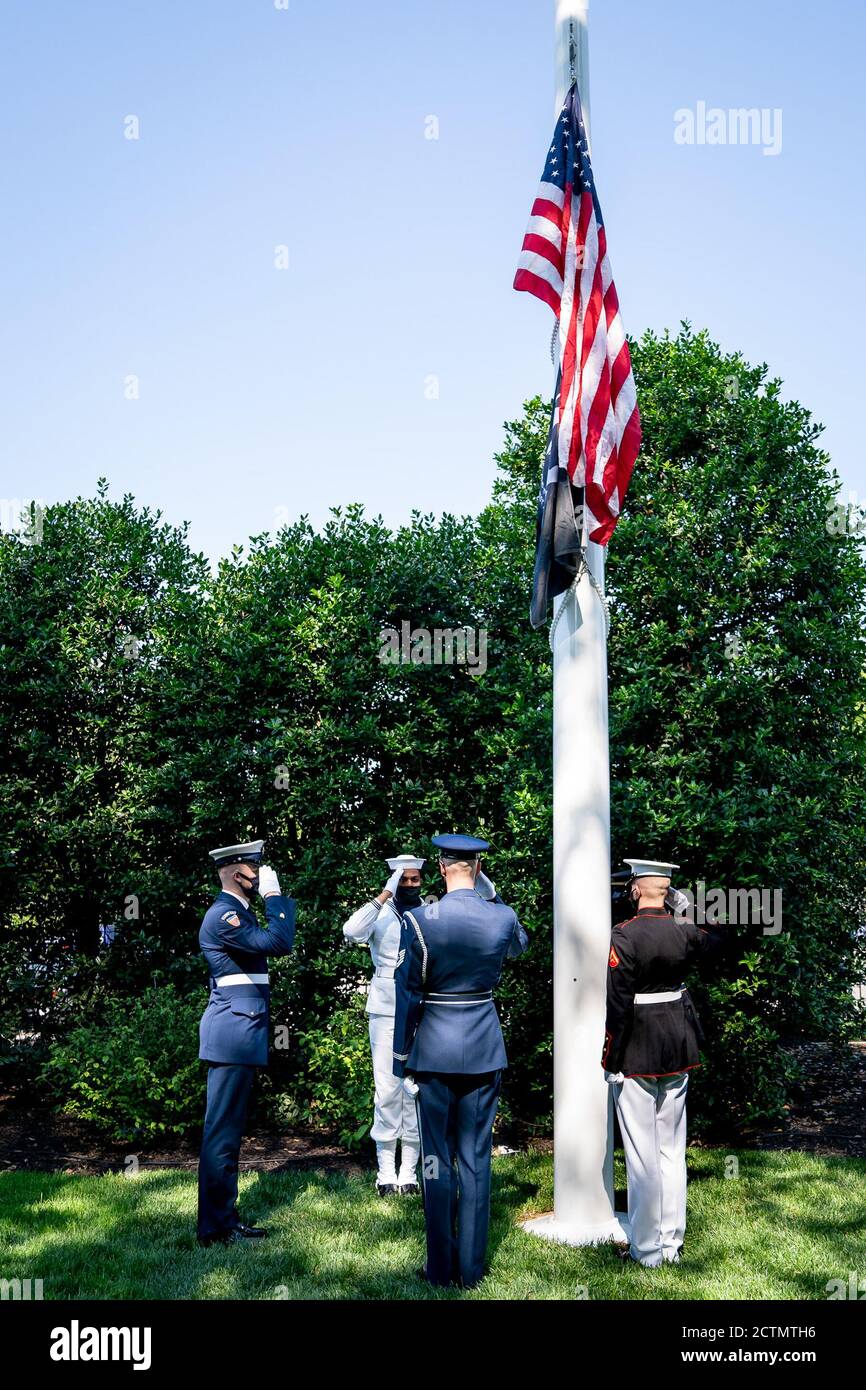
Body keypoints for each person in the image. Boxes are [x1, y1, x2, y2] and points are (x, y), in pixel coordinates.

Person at [392, 833, 529, 1288]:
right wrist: (492, 895)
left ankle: (440, 1268)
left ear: (440, 865)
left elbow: (408, 992)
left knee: (435, 1158)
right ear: (478, 868)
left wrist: (400, 1058)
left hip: (434, 1048)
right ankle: (471, 1270)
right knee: (475, 1157)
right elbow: (519, 945)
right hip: (483, 1045)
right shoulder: (502, 916)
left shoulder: (420, 919)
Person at [602, 857, 730, 1268]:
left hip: (638, 1048)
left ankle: (646, 1250)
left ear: (636, 888)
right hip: (677, 1043)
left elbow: (618, 1004)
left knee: (642, 1155)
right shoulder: (685, 929)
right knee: (672, 1150)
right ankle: (671, 1243)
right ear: (668, 891)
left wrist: (610, 1057)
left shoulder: (623, 935)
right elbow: (722, 937)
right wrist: (687, 904)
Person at [197, 839, 296, 1247]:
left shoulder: (238, 913)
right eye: (256, 869)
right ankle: (215, 1229)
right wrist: (276, 899)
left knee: (228, 1134)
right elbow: (279, 943)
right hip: (232, 1036)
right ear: (238, 873)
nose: (261, 875)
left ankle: (224, 1220)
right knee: (221, 1136)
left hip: (240, 1033)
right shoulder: (225, 916)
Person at [342, 853, 425, 1195]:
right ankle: (385, 1173)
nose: (408, 885)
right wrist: (384, 896)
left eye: (413, 880)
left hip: (421, 1007)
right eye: (401, 880)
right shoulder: (380, 912)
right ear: (392, 880)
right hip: (386, 1009)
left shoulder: (428, 911)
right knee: (388, 1089)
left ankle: (409, 1173)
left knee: (415, 1090)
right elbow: (351, 931)